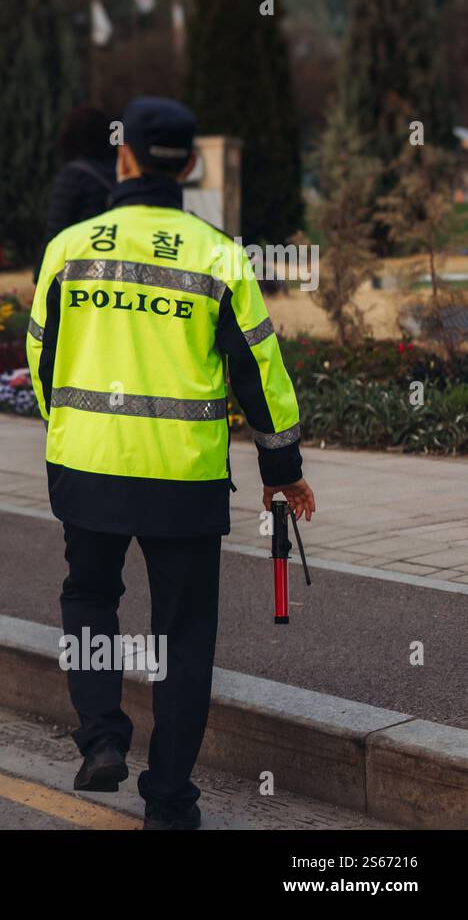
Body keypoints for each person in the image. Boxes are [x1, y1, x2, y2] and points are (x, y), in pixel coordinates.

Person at [25, 96, 316, 830]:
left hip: (86, 465)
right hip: (181, 479)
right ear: (189, 165)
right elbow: (260, 370)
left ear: (121, 156)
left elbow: (41, 358)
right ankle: (169, 800)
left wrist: (66, 428)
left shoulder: (70, 248)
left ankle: (100, 735)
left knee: (90, 596)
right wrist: (282, 468)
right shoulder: (217, 255)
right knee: (182, 632)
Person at [36, 105, 117, 277]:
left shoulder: (74, 176)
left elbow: (55, 232)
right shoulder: (120, 173)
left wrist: (41, 277)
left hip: (79, 269)